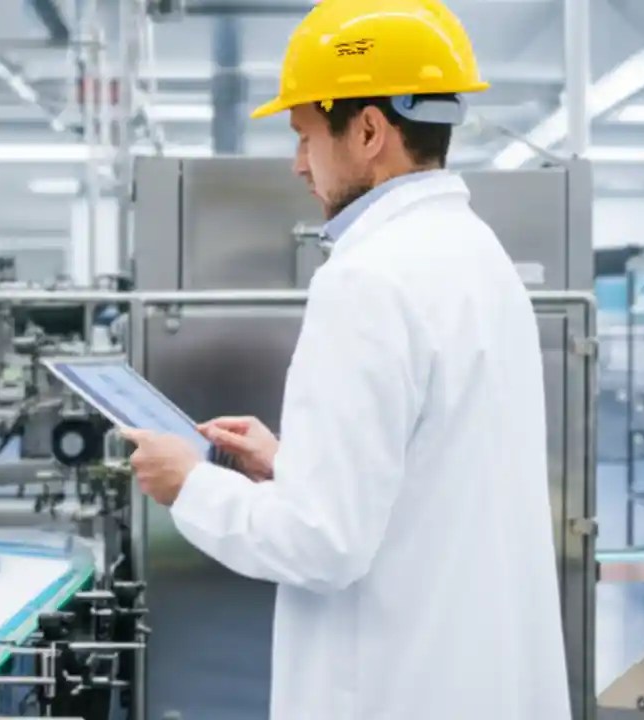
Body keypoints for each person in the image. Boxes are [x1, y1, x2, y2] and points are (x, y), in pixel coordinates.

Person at [121, 0, 571, 717]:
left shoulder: (366, 279)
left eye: (304, 136)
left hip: (396, 688)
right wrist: (293, 468)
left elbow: (321, 544)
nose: (298, 164)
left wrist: (189, 488)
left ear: (367, 129)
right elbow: (431, 469)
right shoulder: (476, 255)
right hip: (472, 677)